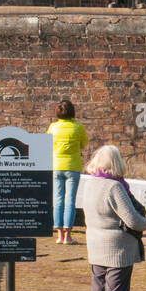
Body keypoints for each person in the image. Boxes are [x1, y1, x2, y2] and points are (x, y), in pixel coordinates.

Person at [83, 145, 146, 291]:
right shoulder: (114, 188)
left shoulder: (90, 183)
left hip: (95, 247)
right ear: (117, 163)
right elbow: (133, 220)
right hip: (117, 251)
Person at [47, 99, 88, 244]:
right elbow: (83, 144)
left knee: (58, 200)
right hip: (73, 166)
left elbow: (48, 145)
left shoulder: (52, 127)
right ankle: (68, 236)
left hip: (56, 166)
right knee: (70, 200)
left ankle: (59, 235)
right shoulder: (78, 128)